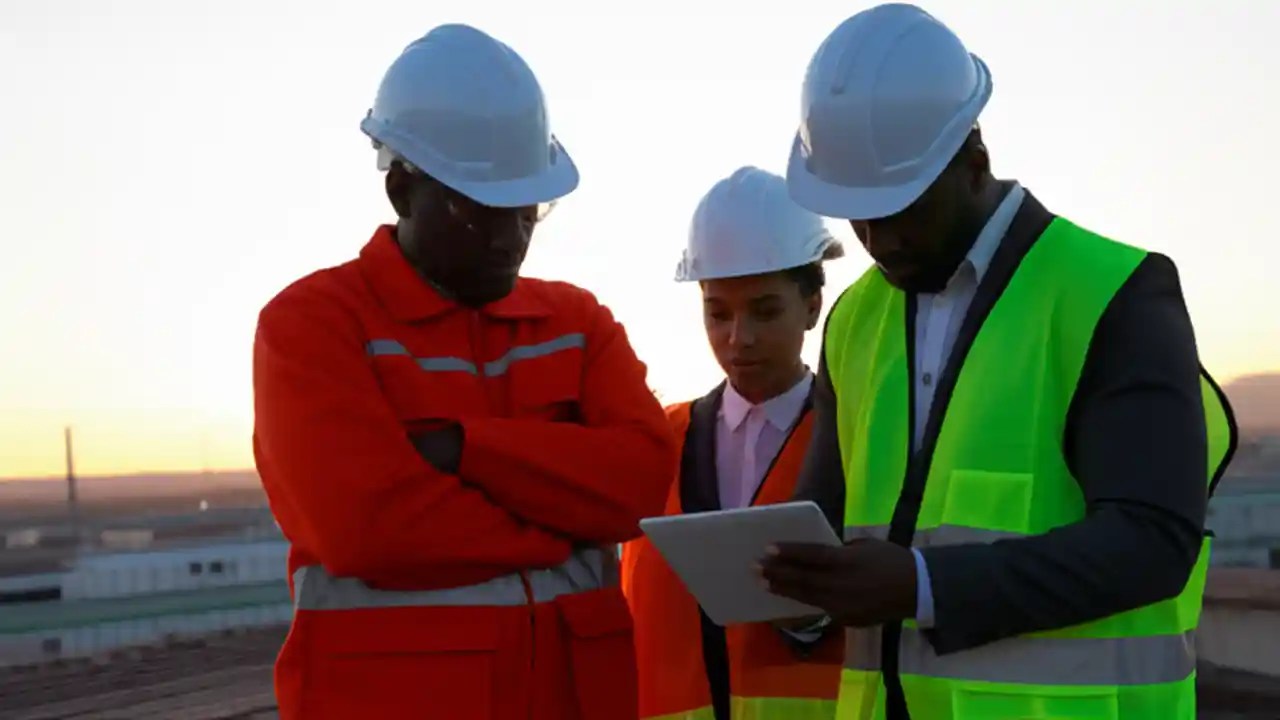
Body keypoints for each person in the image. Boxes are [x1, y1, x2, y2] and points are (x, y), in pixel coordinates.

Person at [757, 5, 1239, 720]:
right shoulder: (853, 320)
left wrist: (924, 586)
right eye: (859, 215)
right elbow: (828, 524)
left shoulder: (1112, 292)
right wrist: (801, 601)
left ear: (974, 159)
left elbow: (1152, 541)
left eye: (901, 209)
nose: (879, 239)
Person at [252, 24, 678, 720]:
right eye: (480, 212)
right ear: (401, 191)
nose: (510, 239)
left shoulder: (578, 321)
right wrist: (564, 526)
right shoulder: (312, 325)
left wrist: (460, 448)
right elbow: (371, 529)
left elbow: (638, 485)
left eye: (527, 210)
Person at [621, 166, 845, 720]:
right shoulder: (656, 442)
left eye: (765, 311)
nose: (738, 338)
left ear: (813, 305)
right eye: (717, 313)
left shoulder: (859, 437)